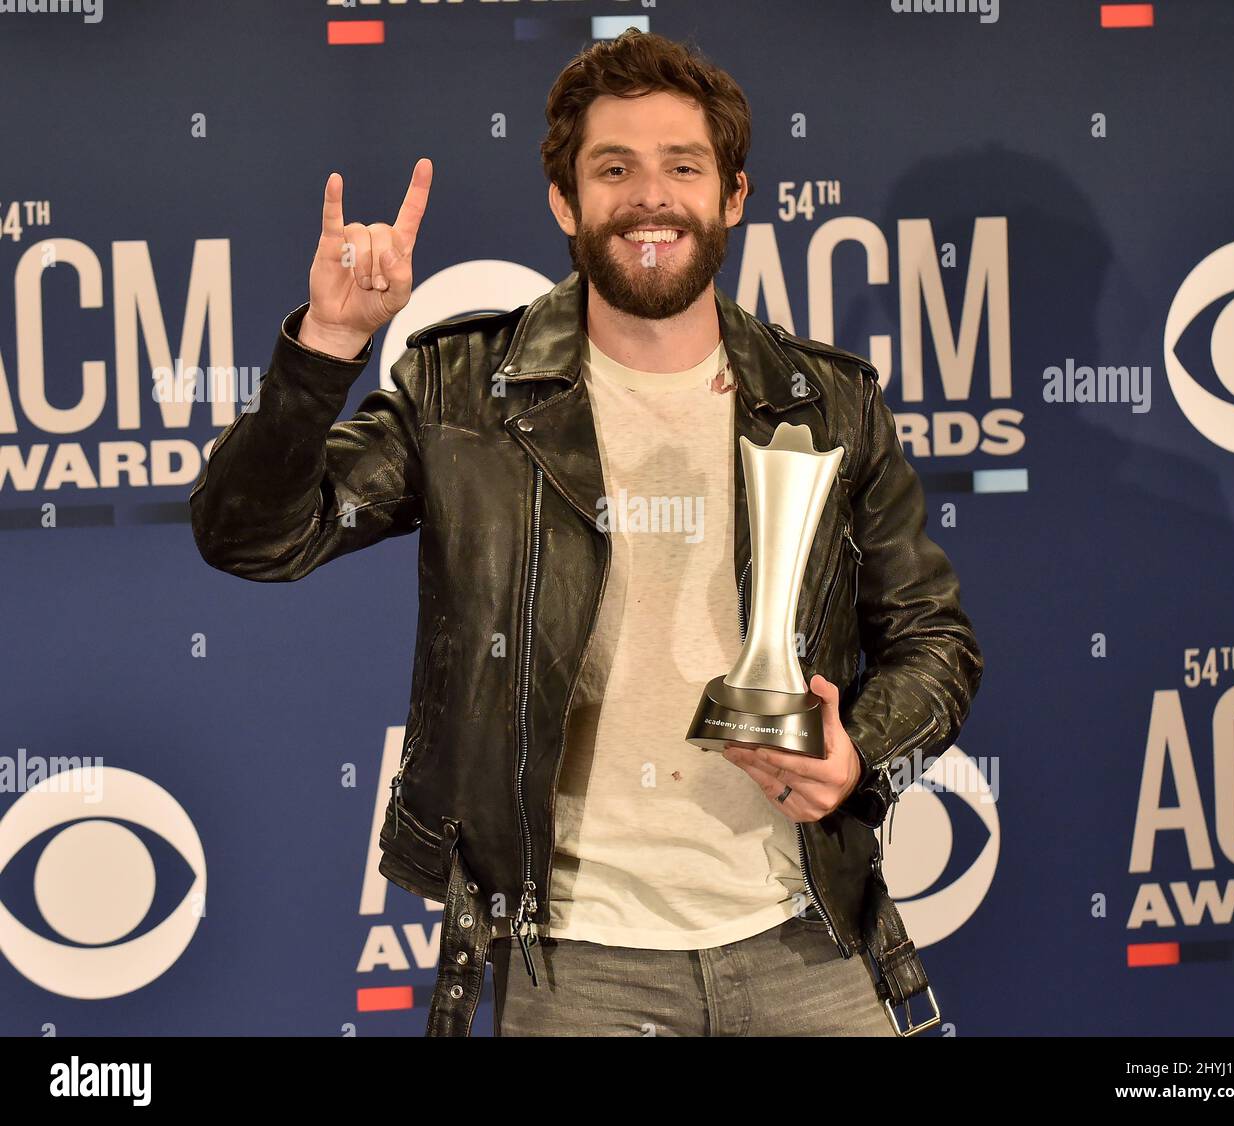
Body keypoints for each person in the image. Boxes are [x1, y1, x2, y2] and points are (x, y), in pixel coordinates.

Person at [190, 28, 983, 1037]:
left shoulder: (828, 401)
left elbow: (934, 644)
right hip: (575, 967)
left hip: (807, 939)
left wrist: (856, 754)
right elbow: (252, 537)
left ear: (732, 196)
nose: (649, 196)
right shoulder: (462, 393)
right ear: (567, 202)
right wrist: (329, 345)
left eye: (681, 167)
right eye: (614, 169)